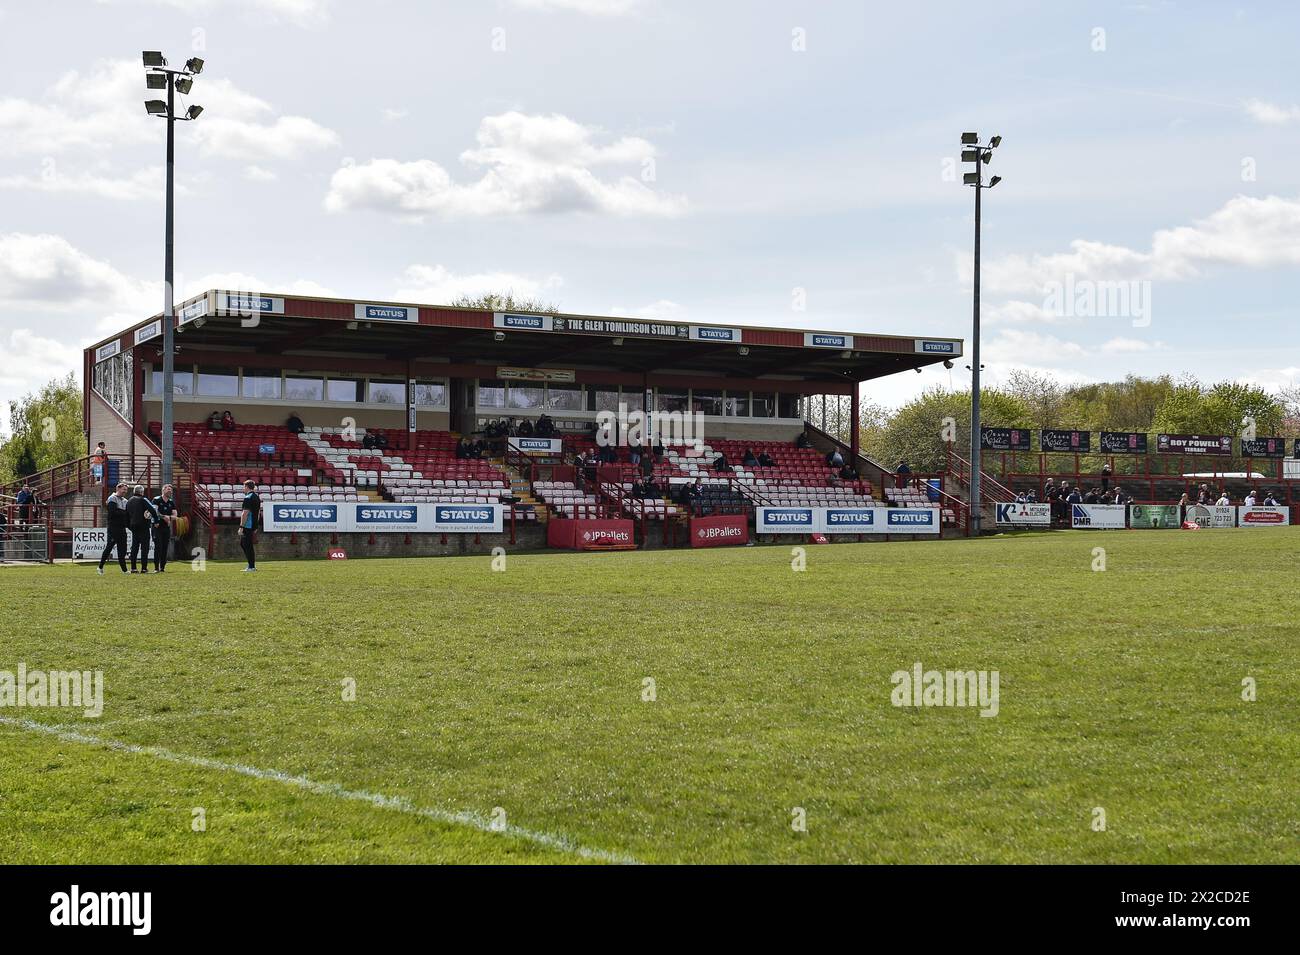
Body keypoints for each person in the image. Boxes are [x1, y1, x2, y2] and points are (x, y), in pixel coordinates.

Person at [97, 483, 131, 575]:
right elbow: (112, 513)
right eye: (123, 489)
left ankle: (124, 570)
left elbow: (126, 514)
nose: (125, 491)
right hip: (113, 527)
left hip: (122, 527)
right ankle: (100, 566)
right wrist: (123, 512)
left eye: (126, 490)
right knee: (109, 547)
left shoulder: (125, 501)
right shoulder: (112, 498)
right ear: (118, 489)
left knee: (123, 549)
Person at [125, 484, 159, 573]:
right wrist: (156, 521)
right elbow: (152, 510)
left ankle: (133, 568)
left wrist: (129, 526)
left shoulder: (129, 501)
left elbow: (127, 515)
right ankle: (144, 568)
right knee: (145, 547)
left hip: (133, 526)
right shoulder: (143, 499)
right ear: (141, 492)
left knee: (135, 547)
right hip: (143, 526)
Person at [152, 484, 177, 573]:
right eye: (168, 489)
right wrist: (163, 517)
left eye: (171, 490)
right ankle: (156, 567)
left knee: (165, 547)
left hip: (166, 527)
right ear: (163, 490)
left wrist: (168, 517)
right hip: (157, 526)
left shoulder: (171, 502)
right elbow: (154, 512)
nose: (170, 491)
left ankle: (162, 567)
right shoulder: (156, 499)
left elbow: (175, 516)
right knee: (158, 546)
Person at [239, 479, 261, 572]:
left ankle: (251, 566)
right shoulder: (256, 497)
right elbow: (258, 513)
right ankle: (251, 565)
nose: (243, 489)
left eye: (244, 487)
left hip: (247, 525)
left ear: (247, 487)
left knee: (247, 545)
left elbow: (245, 513)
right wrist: (256, 525)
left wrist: (241, 527)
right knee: (245, 544)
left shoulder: (248, 497)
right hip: (252, 525)